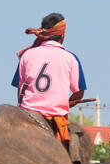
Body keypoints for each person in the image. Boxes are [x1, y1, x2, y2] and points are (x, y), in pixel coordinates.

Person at [11, 12, 86, 154]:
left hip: (27, 116)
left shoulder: (27, 56)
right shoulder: (70, 58)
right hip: (56, 121)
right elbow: (79, 92)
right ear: (62, 36)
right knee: (76, 151)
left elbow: (20, 90)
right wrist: (69, 102)